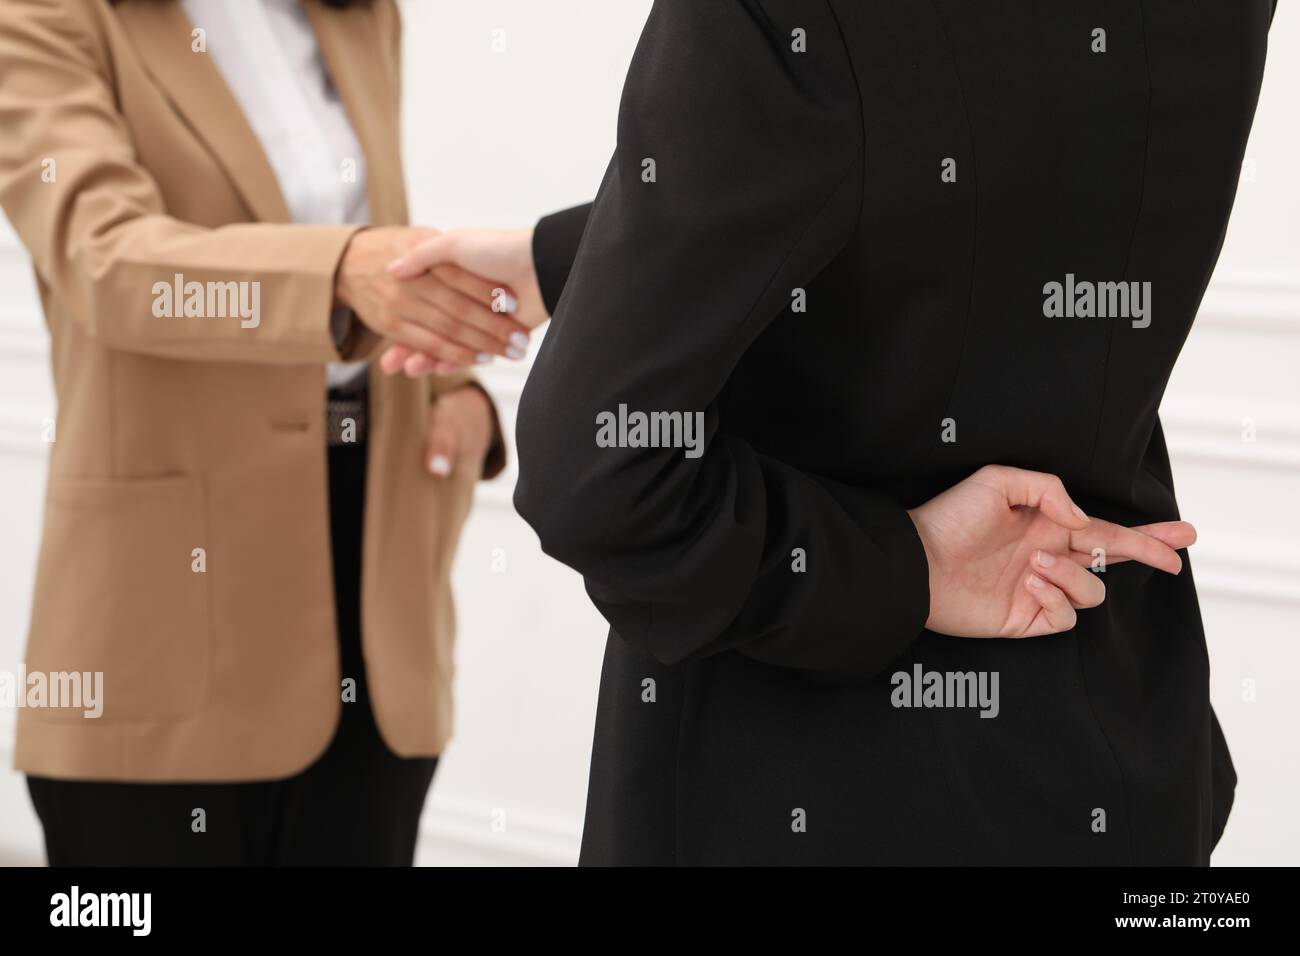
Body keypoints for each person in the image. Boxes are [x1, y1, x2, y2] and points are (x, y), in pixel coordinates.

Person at [385, 0, 1276, 864]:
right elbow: (1001, 172)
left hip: (810, 786)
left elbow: (602, 478)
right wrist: (578, 260)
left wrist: (910, 566)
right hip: (1117, 755)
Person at [0, 0, 526, 865]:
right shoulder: (49, 14)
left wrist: (458, 389)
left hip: (374, 596)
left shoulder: (356, 14)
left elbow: (377, 243)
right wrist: (337, 269)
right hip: (166, 623)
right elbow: (109, 261)